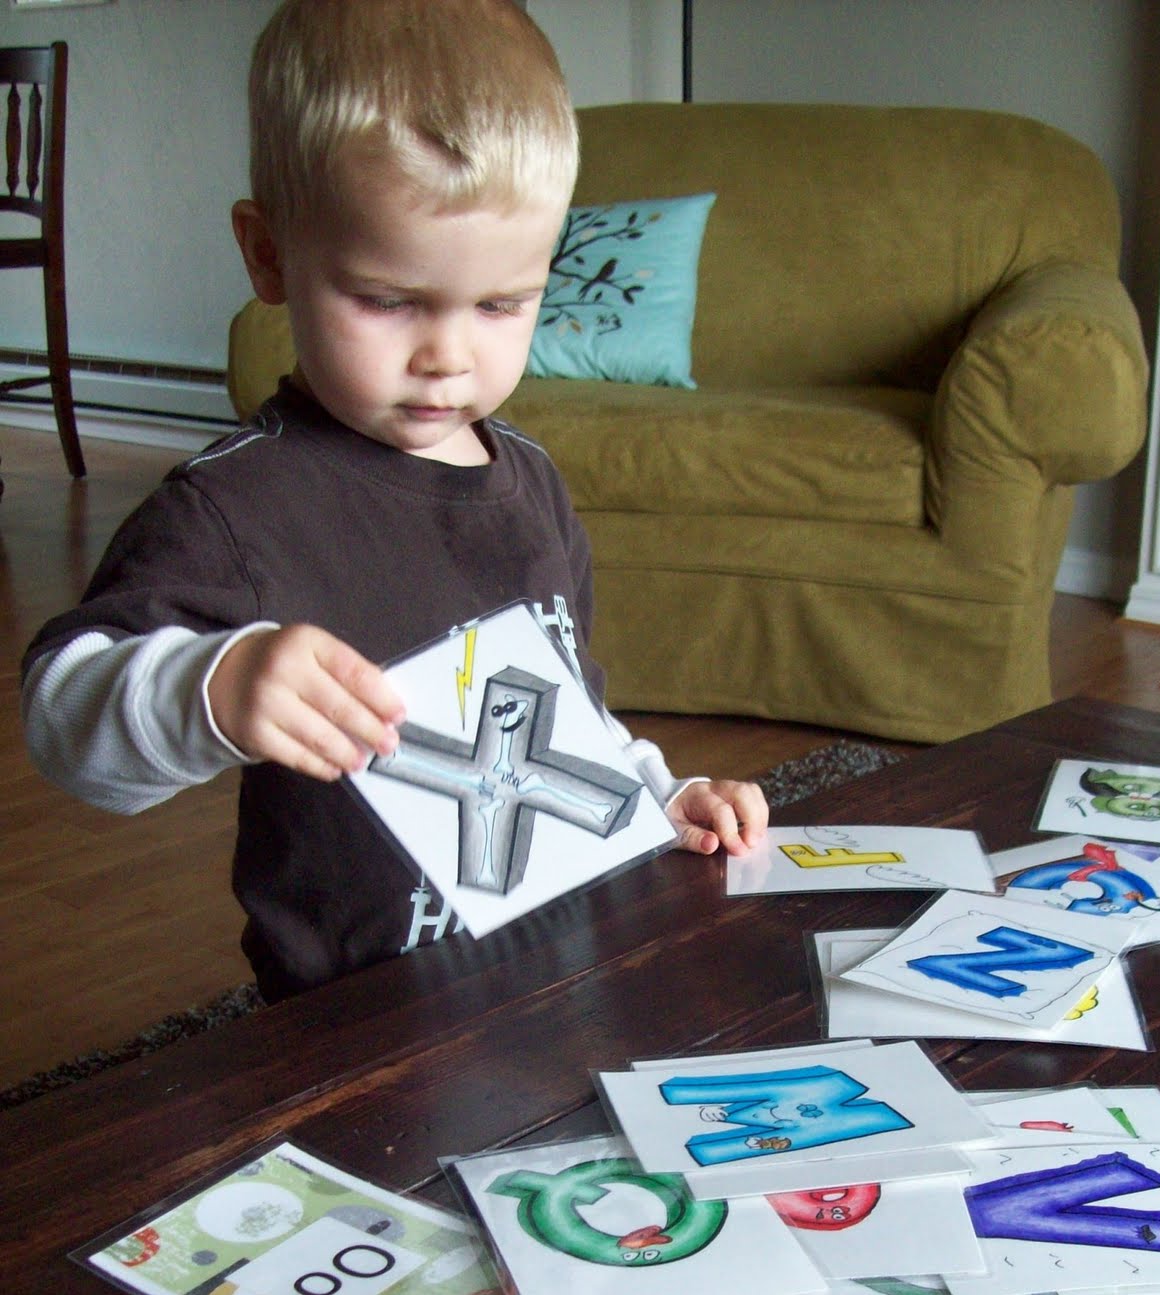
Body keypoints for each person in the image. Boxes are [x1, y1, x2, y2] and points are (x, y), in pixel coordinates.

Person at [21, 0, 767, 1003]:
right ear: (270, 255)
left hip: (552, 989)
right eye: (387, 299)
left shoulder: (531, 484)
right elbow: (63, 714)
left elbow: (570, 727)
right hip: (352, 1021)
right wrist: (213, 687)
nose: (448, 356)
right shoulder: (236, 506)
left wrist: (662, 796)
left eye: (502, 304)